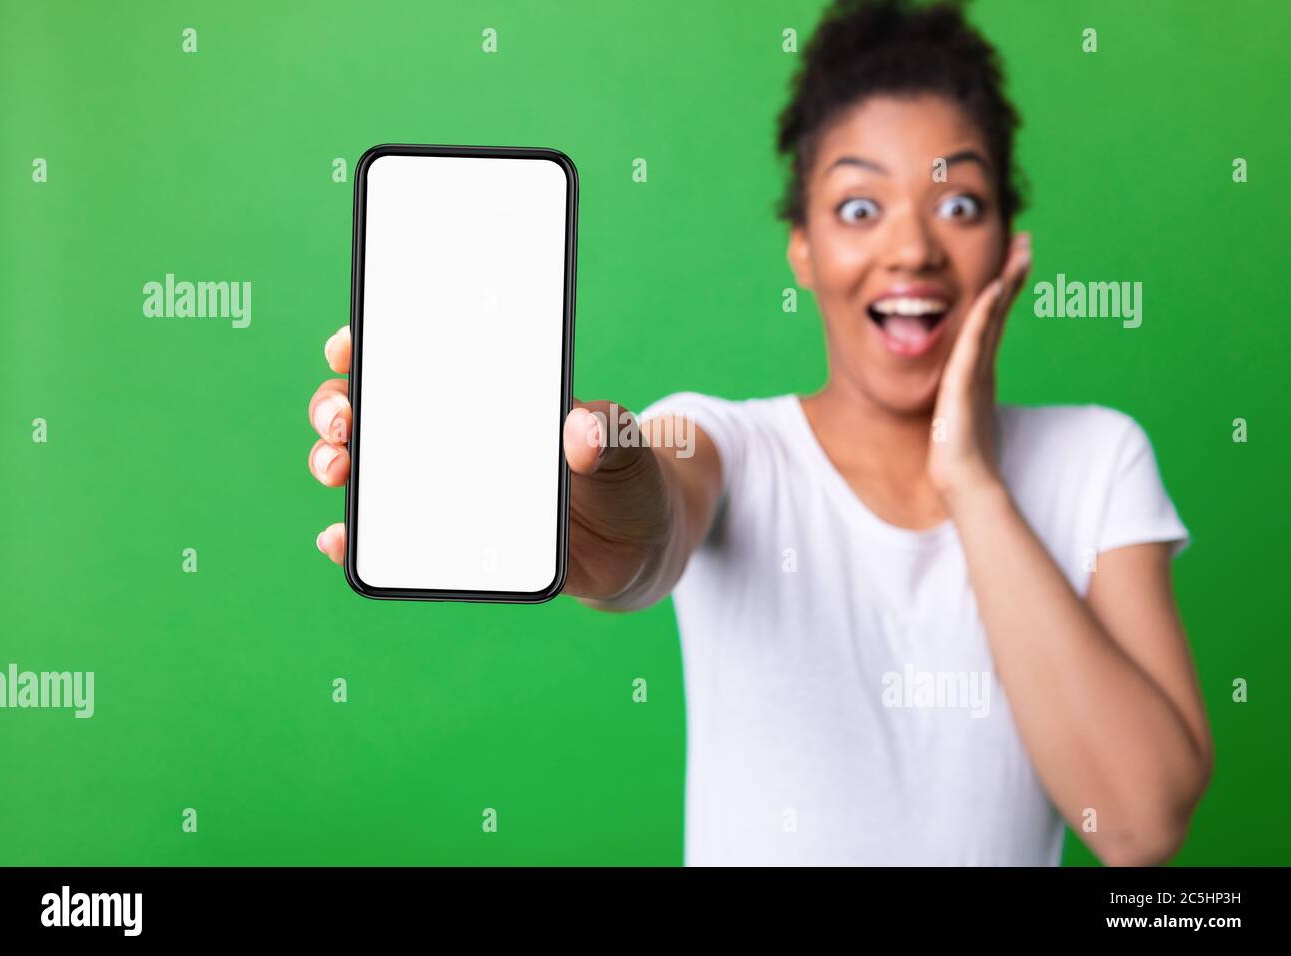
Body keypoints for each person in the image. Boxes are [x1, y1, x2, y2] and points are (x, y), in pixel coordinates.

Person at [306, 0, 1212, 866]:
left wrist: (971, 479)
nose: (912, 250)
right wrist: (602, 515)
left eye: (959, 204)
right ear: (803, 249)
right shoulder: (732, 448)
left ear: (1011, 247)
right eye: (860, 208)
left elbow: (1139, 826)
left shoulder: (1097, 461)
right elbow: (652, 525)